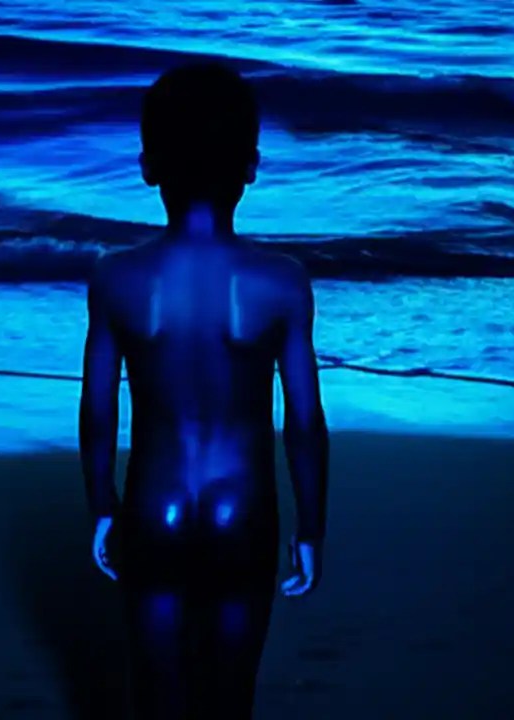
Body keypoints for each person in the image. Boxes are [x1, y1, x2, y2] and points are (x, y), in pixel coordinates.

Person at [78, 62, 330, 719]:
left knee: (156, 696)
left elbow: (99, 407)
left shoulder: (116, 278)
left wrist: (101, 500)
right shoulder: (281, 282)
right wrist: (311, 526)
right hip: (241, 506)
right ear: (250, 166)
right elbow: (304, 421)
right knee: (229, 697)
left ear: (148, 166)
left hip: (152, 502)